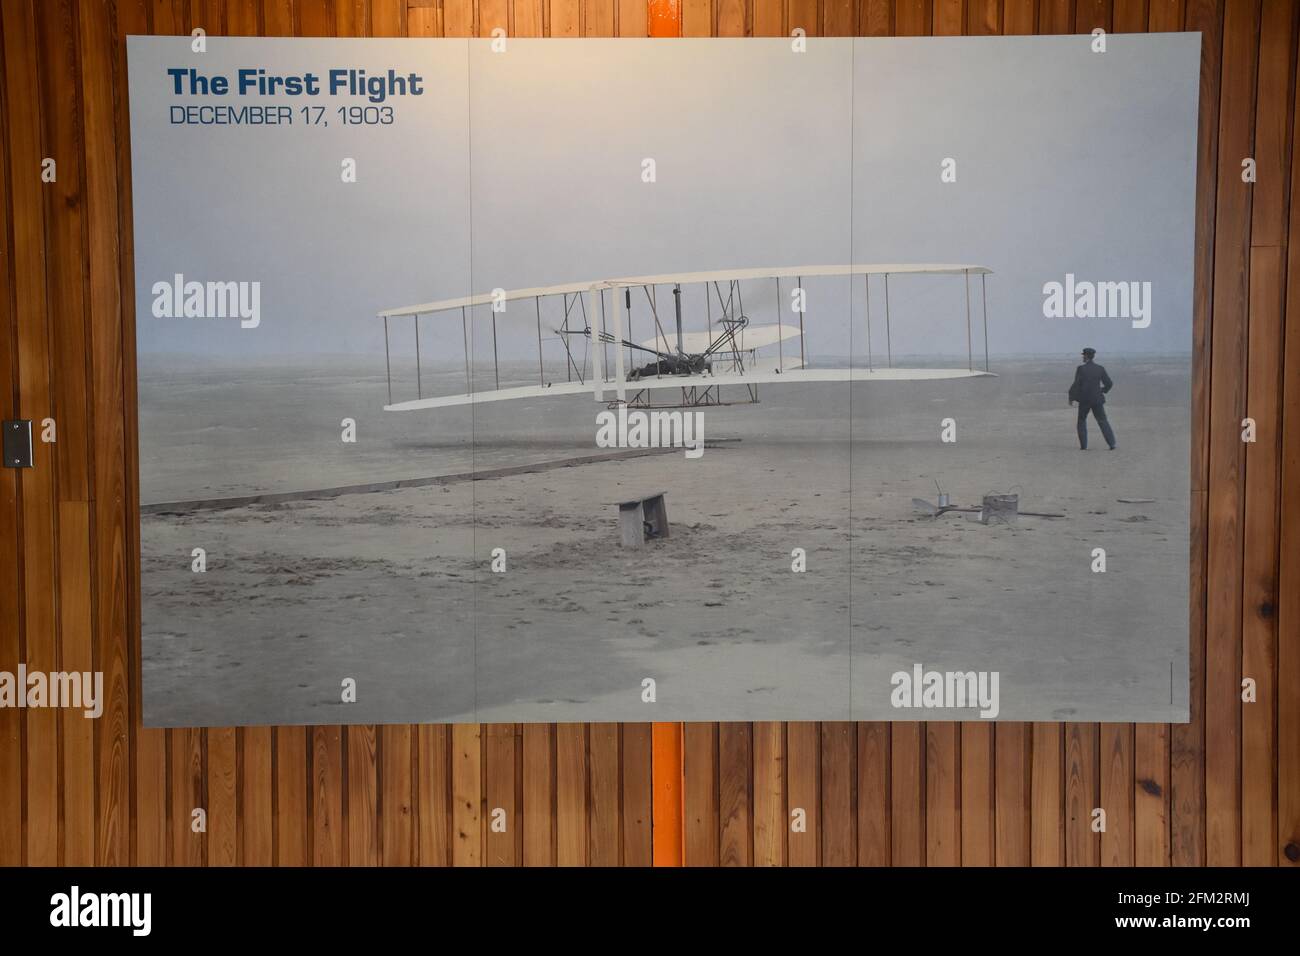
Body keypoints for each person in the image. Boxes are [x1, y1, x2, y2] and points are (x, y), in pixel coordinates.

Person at [1068, 347, 1116, 450]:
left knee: (1081, 421)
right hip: (1097, 399)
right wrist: (1102, 390)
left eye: (1083, 355)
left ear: (1086, 356)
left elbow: (1076, 384)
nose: (1082, 357)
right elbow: (1109, 383)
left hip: (1084, 399)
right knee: (1103, 421)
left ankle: (1083, 446)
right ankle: (1112, 444)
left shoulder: (1081, 369)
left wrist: (1071, 396)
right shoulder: (1100, 368)